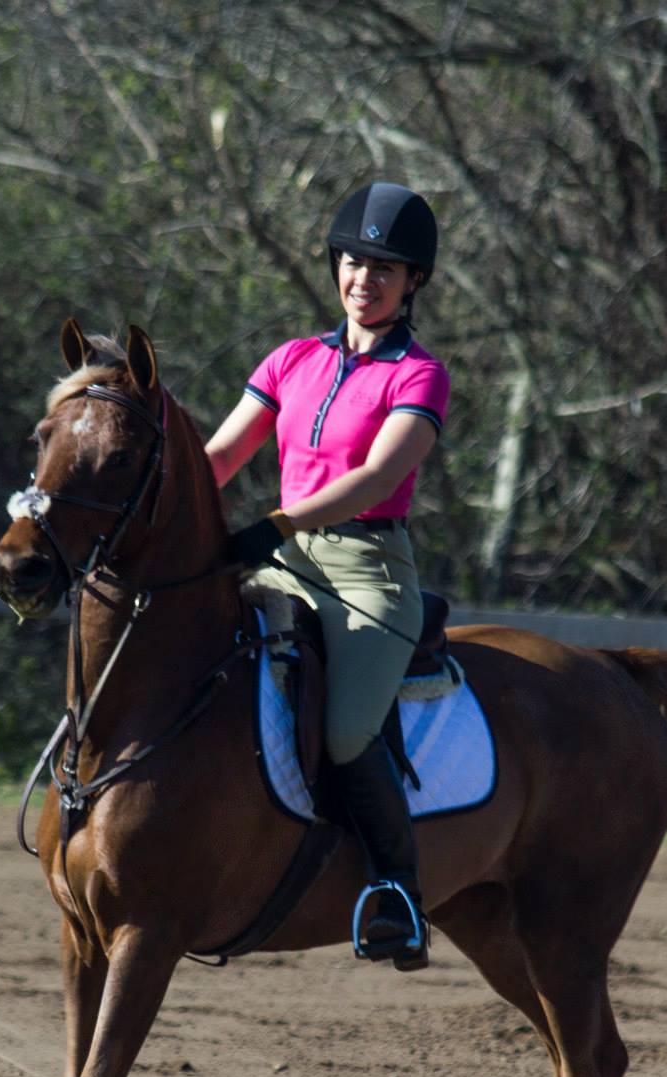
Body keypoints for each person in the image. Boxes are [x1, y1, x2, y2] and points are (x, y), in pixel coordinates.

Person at [203, 181, 448, 972]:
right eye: (353, 262)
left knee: (344, 733)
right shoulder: (291, 360)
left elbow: (377, 479)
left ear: (412, 281)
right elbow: (220, 456)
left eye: (384, 268)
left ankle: (399, 892)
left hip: (368, 572)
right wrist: (159, 505)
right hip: (285, 564)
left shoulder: (419, 375)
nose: (363, 279)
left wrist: (276, 525)